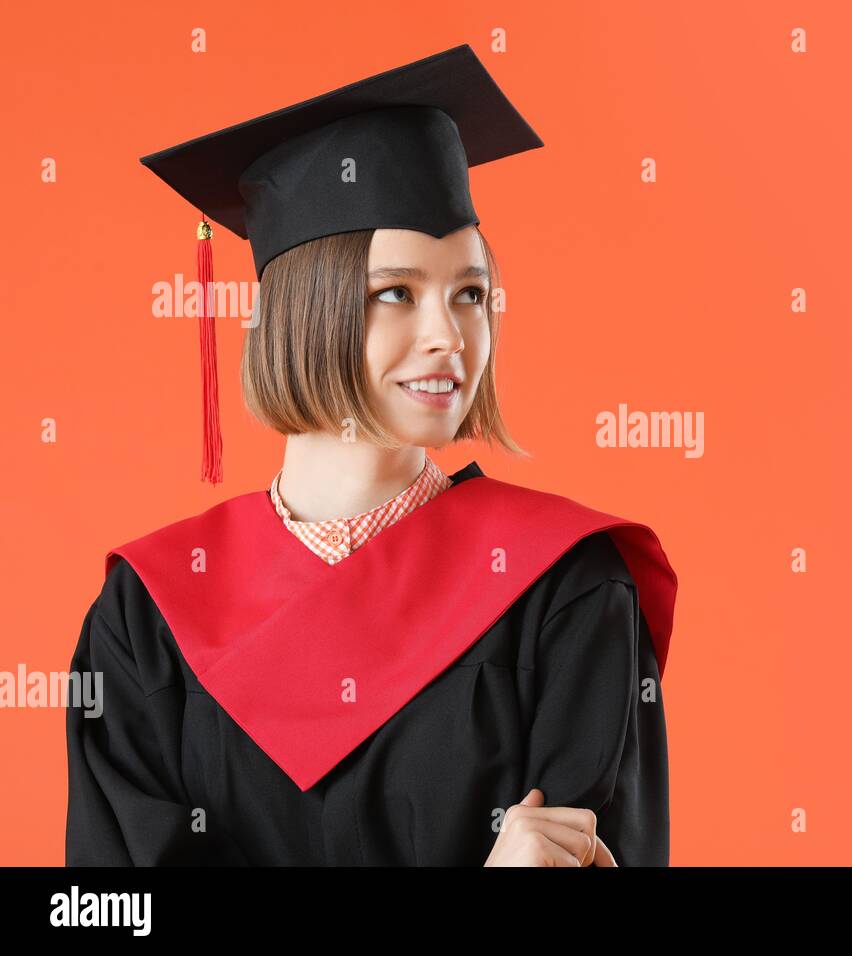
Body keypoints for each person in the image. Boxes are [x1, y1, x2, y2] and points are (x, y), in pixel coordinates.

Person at [64, 45, 678, 866]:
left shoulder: (566, 590)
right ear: (299, 312)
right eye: (396, 293)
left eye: (468, 293)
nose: (447, 338)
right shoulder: (148, 617)